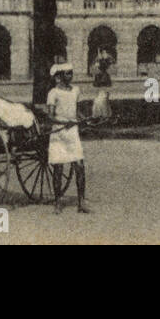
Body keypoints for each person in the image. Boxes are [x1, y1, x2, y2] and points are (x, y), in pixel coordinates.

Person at [46, 63, 90, 213]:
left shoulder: (76, 91)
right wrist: (64, 123)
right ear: (59, 76)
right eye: (67, 74)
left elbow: (77, 112)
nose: (70, 76)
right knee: (58, 168)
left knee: (80, 166)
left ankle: (81, 202)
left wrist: (86, 119)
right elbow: (50, 116)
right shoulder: (53, 93)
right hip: (58, 133)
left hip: (72, 133)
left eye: (71, 73)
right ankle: (58, 202)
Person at [92, 55, 113, 120]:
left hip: (104, 91)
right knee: (98, 102)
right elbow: (95, 84)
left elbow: (109, 84)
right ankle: (99, 116)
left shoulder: (106, 75)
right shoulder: (98, 75)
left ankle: (104, 116)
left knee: (102, 102)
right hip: (100, 91)